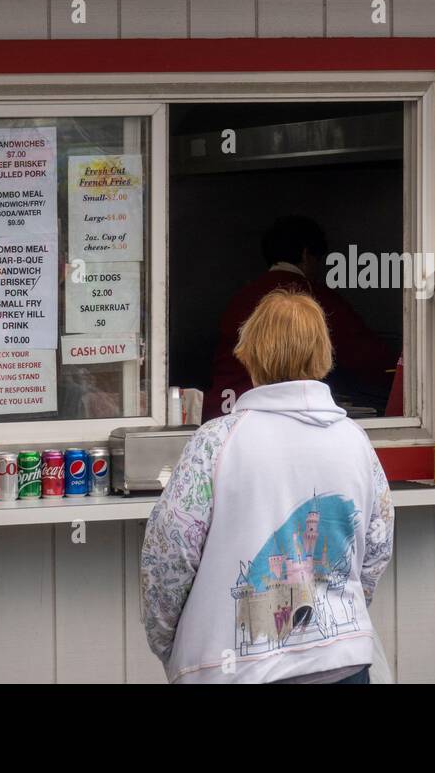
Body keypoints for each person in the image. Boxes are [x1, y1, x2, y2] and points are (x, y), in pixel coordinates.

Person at [143, 289, 395, 683]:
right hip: (341, 663)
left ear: (251, 352)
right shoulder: (356, 441)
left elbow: (169, 559)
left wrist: (171, 645)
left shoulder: (216, 442)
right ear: (323, 353)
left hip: (236, 667)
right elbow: (376, 552)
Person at [203, 215, 394, 421]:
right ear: (306, 254)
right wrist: (399, 371)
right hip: (275, 416)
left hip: (220, 409)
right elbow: (364, 354)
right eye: (318, 259)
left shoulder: (240, 297)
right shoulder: (316, 297)